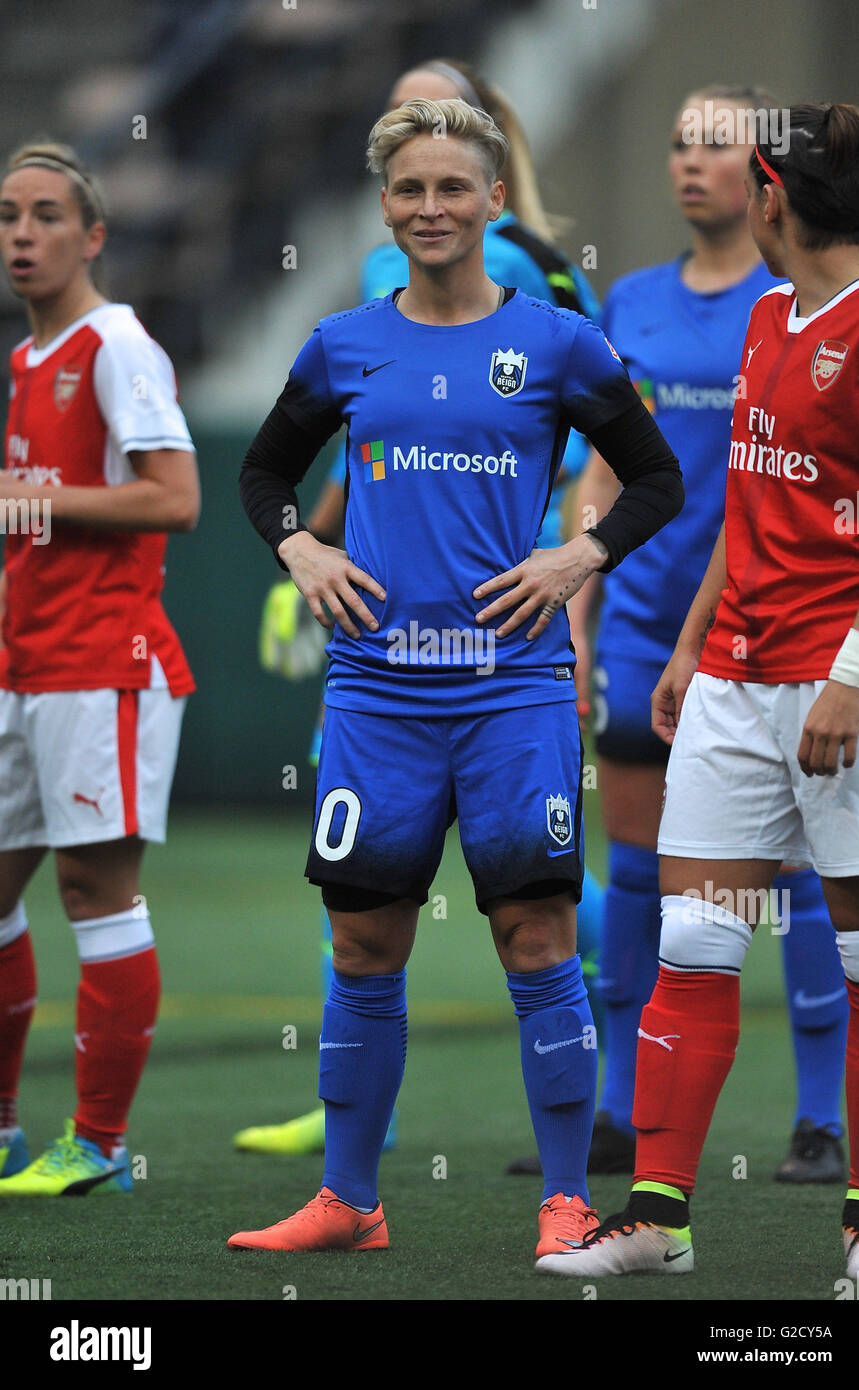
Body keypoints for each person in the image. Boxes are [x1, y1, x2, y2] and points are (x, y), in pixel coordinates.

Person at [230, 97, 682, 1259]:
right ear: (385, 205)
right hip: (377, 695)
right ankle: (348, 1201)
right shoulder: (342, 344)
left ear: (493, 201)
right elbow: (266, 470)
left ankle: (569, 1199)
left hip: (513, 692)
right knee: (363, 945)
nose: (433, 207)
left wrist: (579, 553)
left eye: (454, 187)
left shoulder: (559, 341)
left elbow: (653, 479)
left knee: (536, 938)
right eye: (411, 189)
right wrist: (301, 546)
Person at [536, 101, 859, 1278]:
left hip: (842, 687)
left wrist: (850, 674)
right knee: (695, 937)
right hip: (731, 676)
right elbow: (749, 500)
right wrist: (690, 644)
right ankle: (658, 1222)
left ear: (774, 195)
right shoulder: (771, 317)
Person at [0, 142, 199, 1194]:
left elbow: (175, 498)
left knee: (97, 890)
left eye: (44, 215)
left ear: (93, 235)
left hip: (104, 664)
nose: (22, 235)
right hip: (23, 664)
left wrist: (25, 501)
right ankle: (4, 1129)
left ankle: (101, 1145)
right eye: (8, 216)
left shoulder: (116, 343)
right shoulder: (29, 359)